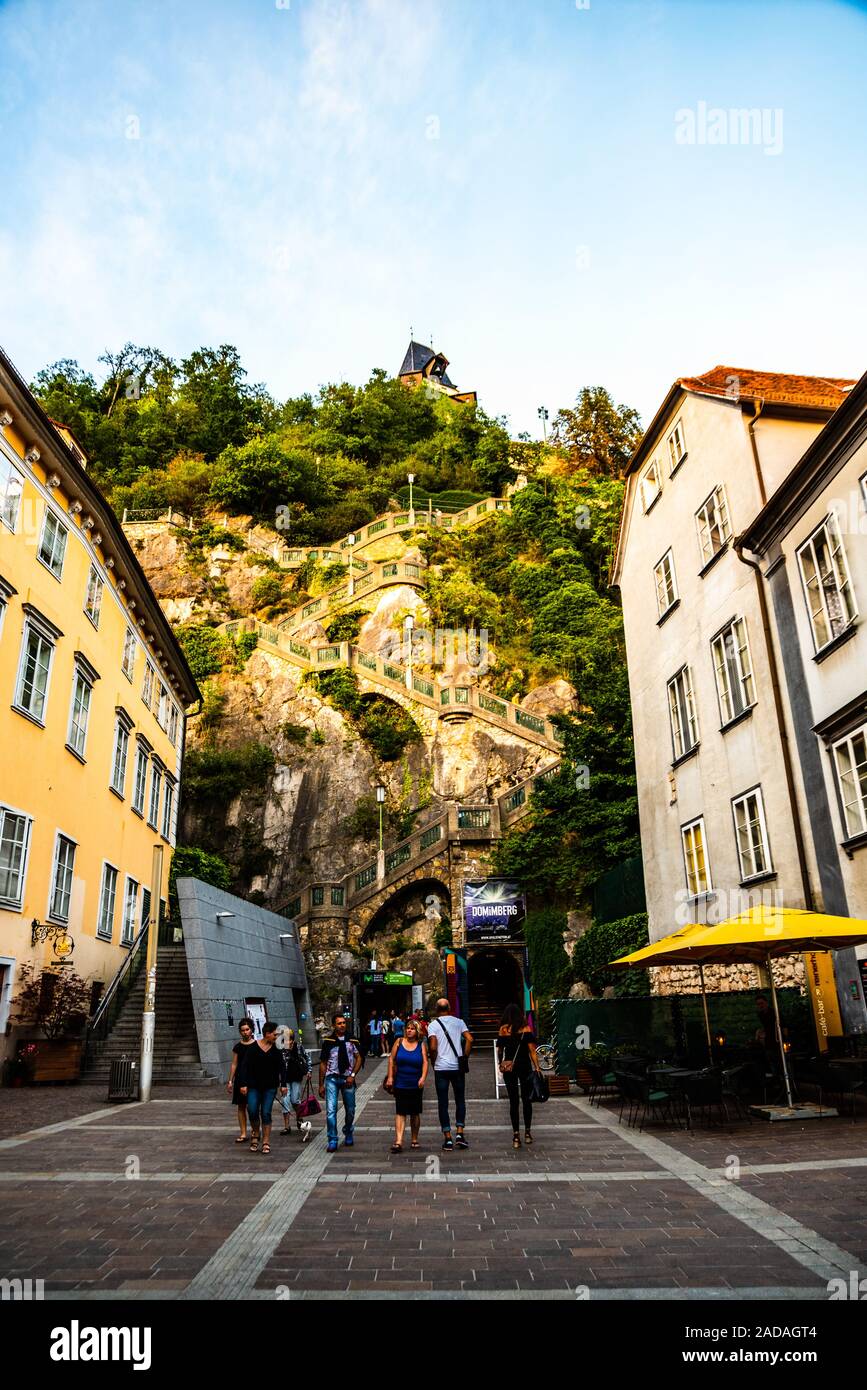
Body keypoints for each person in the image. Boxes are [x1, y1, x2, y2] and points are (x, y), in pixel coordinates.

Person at [427, 998, 473, 1150]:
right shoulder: (459, 1022)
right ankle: (460, 1133)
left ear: (436, 1009)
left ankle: (447, 1137)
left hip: (441, 1068)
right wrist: (464, 1057)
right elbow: (469, 1039)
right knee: (460, 1100)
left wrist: (434, 1062)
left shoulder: (433, 1025)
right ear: (450, 1007)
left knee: (443, 1103)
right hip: (457, 1068)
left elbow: (433, 1047)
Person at [238, 1021, 287, 1155]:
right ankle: (255, 1133)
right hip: (253, 1086)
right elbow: (244, 1066)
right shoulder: (253, 1047)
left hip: (270, 1087)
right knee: (252, 1110)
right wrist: (243, 1084)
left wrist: (283, 1085)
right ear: (267, 1034)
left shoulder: (277, 1049)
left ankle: (266, 1141)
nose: (276, 1037)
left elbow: (282, 1067)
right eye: (275, 1034)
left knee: (266, 1112)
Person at [496, 1003, 540, 1149]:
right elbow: (532, 1051)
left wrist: (500, 1062)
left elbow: (500, 1049)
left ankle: (516, 1136)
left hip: (510, 1068)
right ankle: (527, 1133)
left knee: (513, 1102)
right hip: (525, 1067)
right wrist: (537, 1067)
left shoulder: (503, 1030)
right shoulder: (526, 1029)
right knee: (526, 1100)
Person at [319, 1013, 363, 1152]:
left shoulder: (352, 1040)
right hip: (332, 1078)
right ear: (333, 1025)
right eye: (339, 1023)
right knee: (331, 1111)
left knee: (350, 1109)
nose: (342, 1025)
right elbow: (323, 1063)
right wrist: (321, 1084)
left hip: (347, 1079)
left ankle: (348, 1130)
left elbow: (359, 1058)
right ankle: (332, 1139)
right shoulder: (328, 1041)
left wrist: (353, 1075)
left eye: (344, 1022)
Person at [386, 1017, 428, 1152]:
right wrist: (390, 1077)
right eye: (408, 1028)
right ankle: (398, 1141)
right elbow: (391, 1059)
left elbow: (425, 1062)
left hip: (416, 1083)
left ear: (417, 1031)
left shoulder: (421, 1044)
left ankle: (414, 1139)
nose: (409, 1031)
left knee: (415, 1112)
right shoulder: (398, 1042)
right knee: (401, 1111)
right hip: (401, 1082)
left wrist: (423, 1077)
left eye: (412, 1029)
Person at [278, 1028, 313, 1142]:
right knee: (285, 1101)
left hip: (296, 1077)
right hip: (284, 1079)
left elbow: (307, 1058)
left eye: (290, 1039)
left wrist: (309, 1071)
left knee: (295, 1100)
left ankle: (299, 1119)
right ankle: (287, 1126)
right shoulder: (280, 1049)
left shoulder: (298, 1047)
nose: (288, 1042)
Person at [226, 1018, 257, 1144]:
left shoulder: (257, 1045)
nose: (245, 1032)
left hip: (254, 1080)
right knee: (241, 1106)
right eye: (243, 1030)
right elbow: (234, 1064)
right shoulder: (238, 1047)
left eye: (247, 1029)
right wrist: (230, 1081)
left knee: (253, 1107)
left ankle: (255, 1131)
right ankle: (243, 1133)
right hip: (240, 1079)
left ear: (251, 1030)